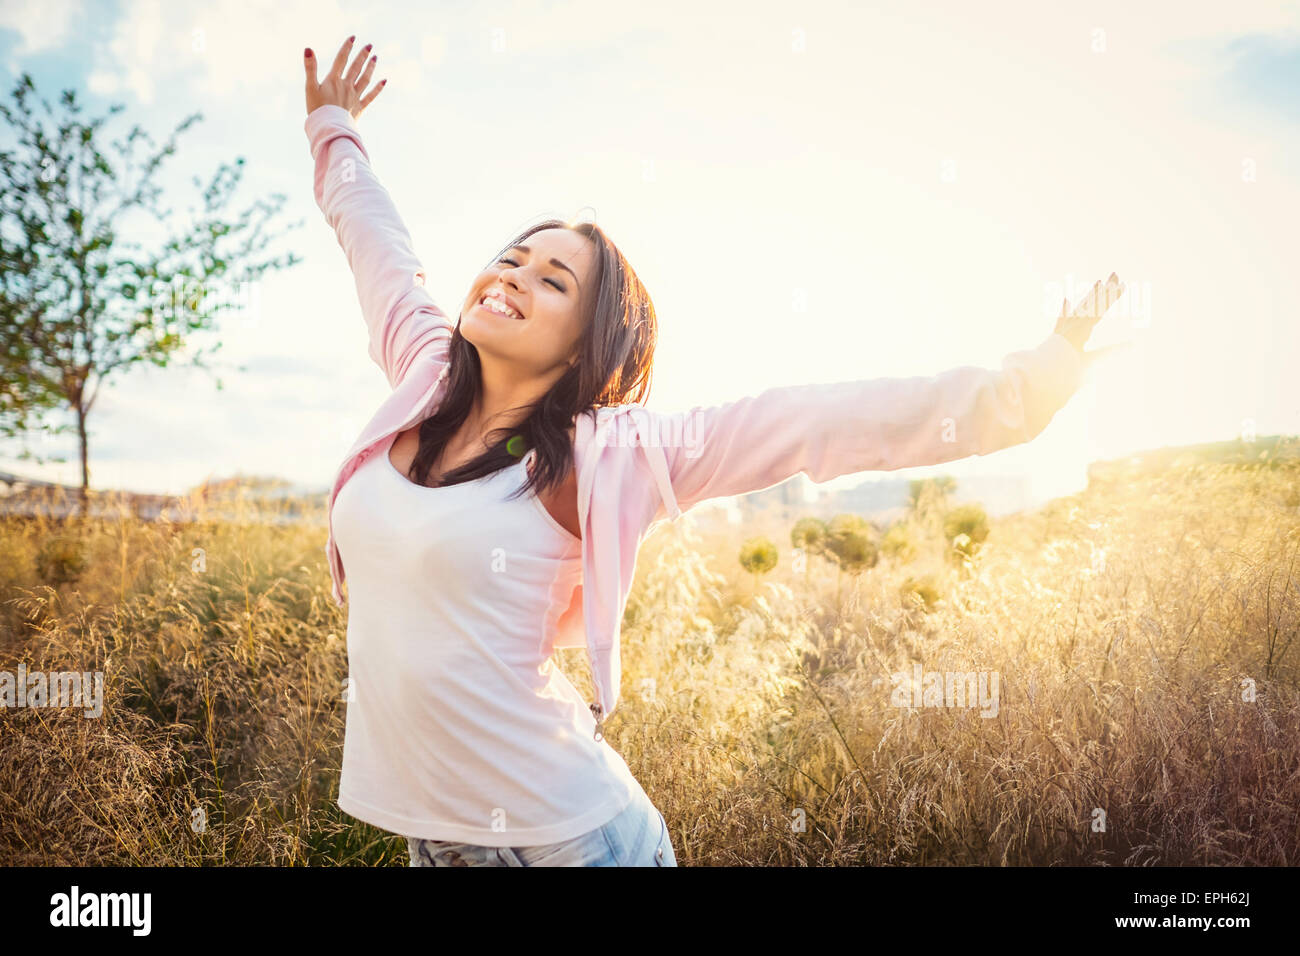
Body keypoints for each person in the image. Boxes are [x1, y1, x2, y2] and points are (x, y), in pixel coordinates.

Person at [301, 36, 1125, 868]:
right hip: (434, 841)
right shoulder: (422, 375)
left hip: (572, 844)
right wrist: (334, 126)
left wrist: (1032, 386)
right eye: (510, 259)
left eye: (553, 281)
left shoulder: (603, 459)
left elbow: (817, 419)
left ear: (586, 348)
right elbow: (377, 244)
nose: (511, 277)